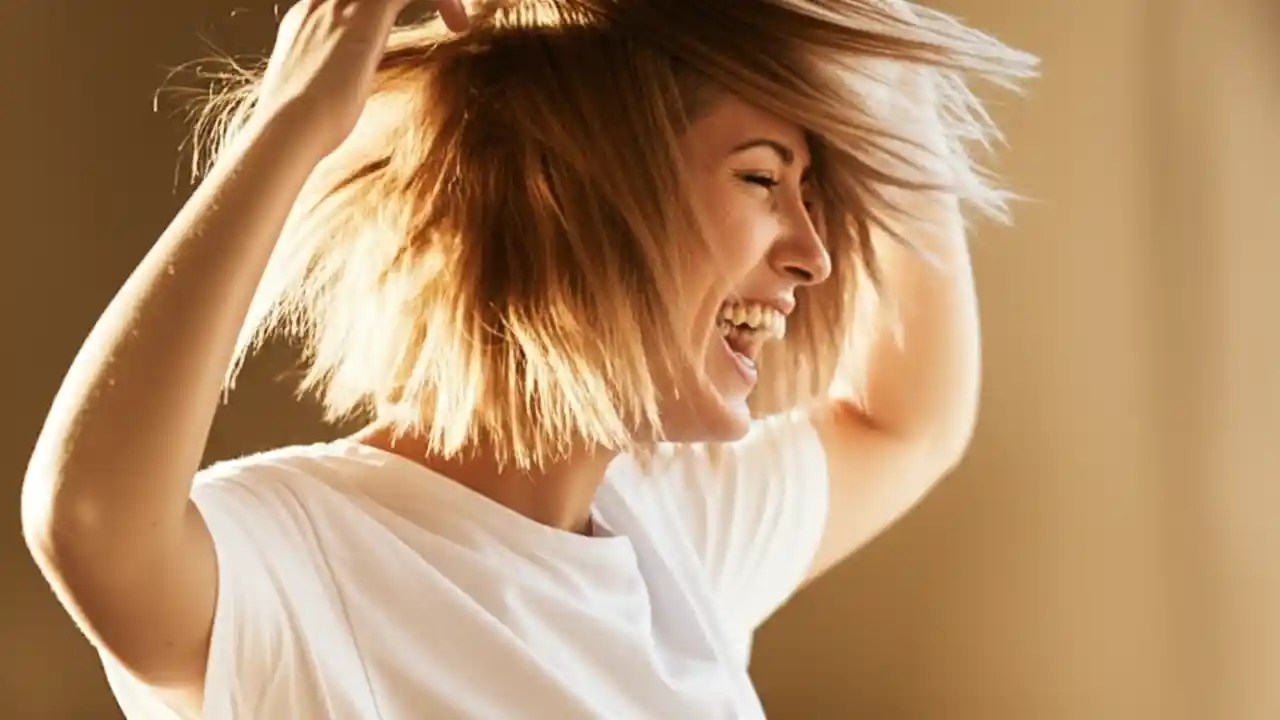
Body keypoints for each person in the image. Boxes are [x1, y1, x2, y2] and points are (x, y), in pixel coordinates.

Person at [21, 0, 1034, 717]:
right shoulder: (306, 561)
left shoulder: (667, 532)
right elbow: (94, 522)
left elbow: (908, 421)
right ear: (587, 193)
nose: (812, 255)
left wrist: (883, 76)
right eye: (762, 178)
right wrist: (298, 120)